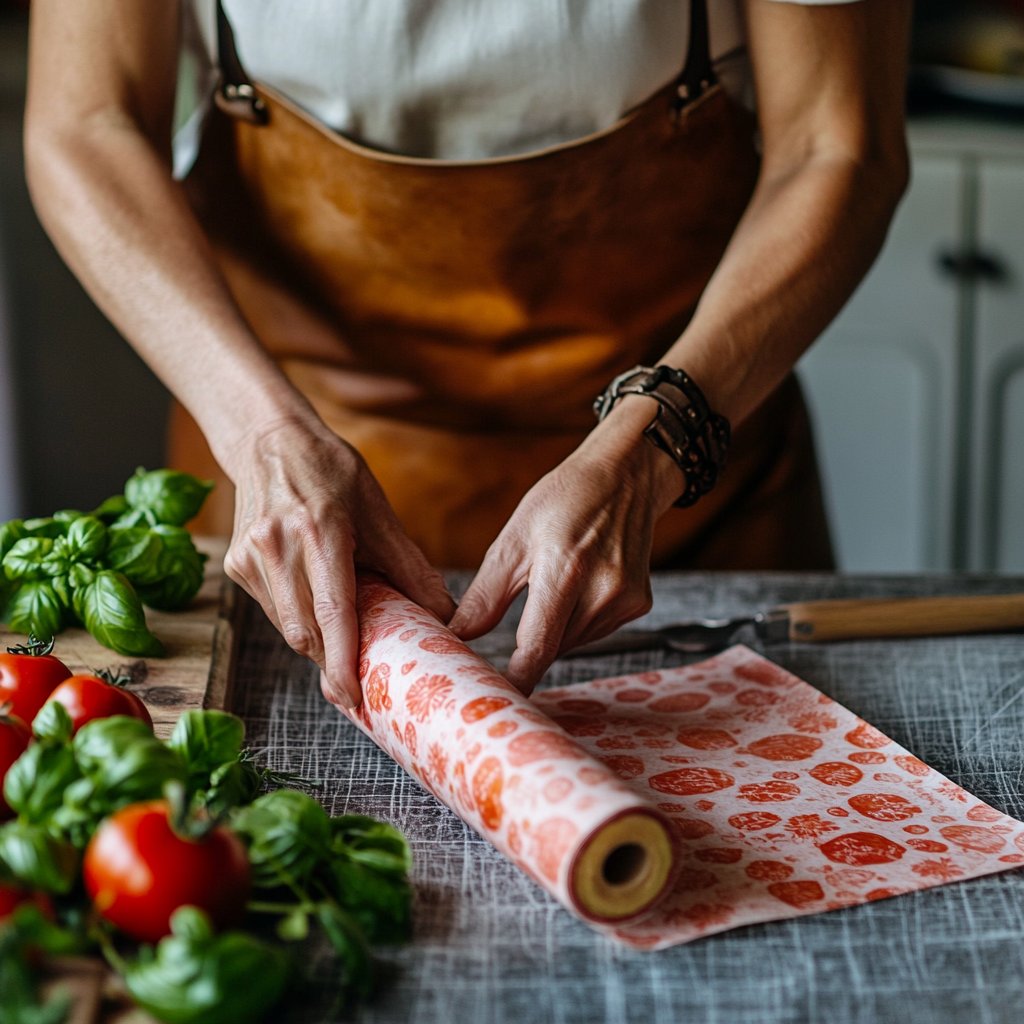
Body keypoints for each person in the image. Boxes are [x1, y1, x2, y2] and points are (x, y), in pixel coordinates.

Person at [24, 1, 911, 708]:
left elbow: (839, 147)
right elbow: (86, 123)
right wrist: (262, 434)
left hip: (687, 489)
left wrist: (651, 451)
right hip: (288, 511)